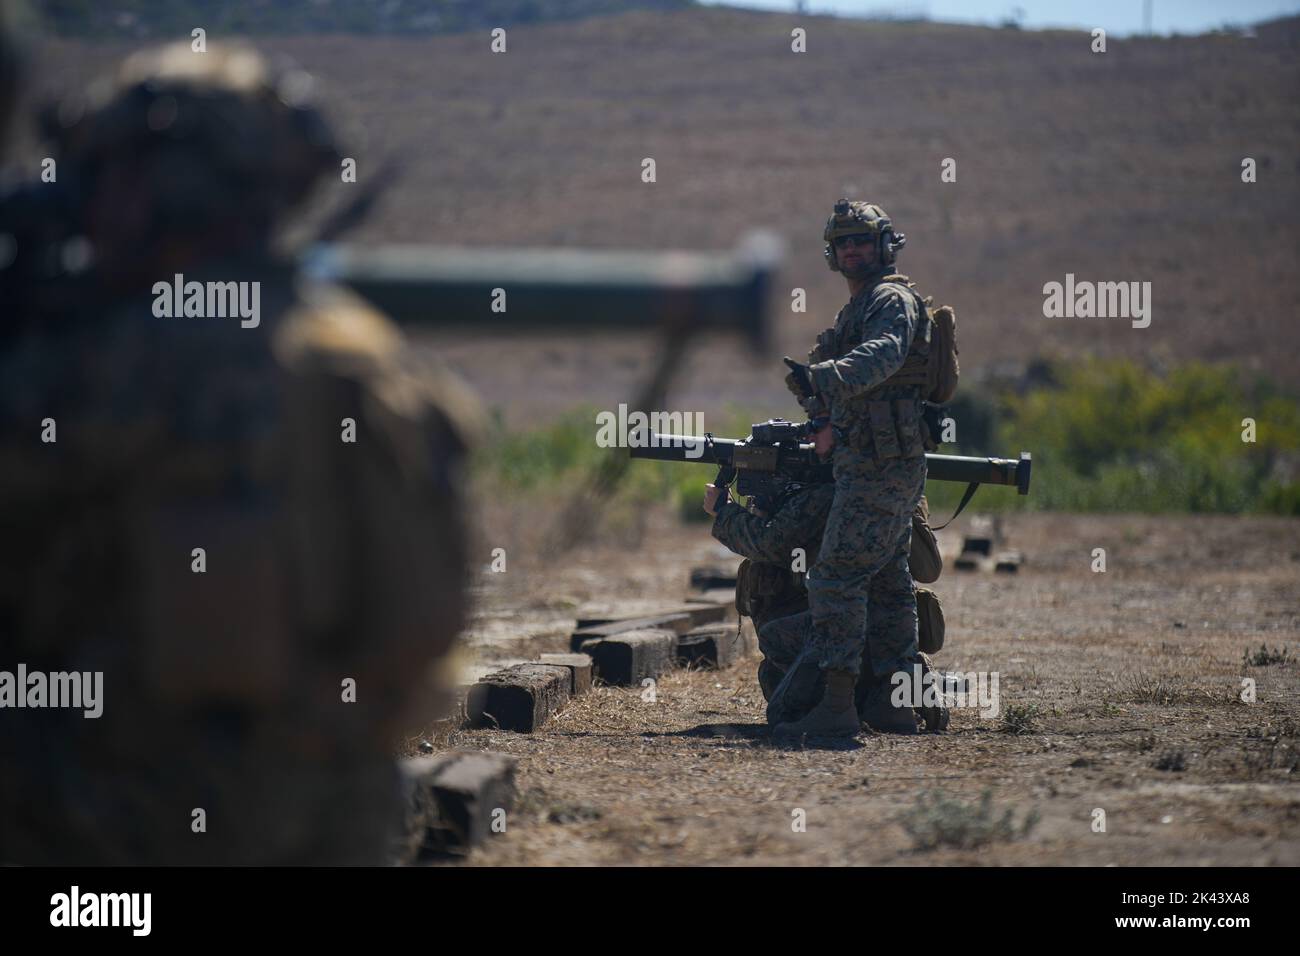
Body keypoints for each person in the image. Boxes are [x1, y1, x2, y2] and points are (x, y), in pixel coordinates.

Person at [0, 42, 481, 864]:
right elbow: (420, 623)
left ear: (165, 185)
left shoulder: (120, 359)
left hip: (126, 817)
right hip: (337, 808)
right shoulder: (366, 351)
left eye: (111, 175)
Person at [770, 199, 934, 737]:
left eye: (863, 240)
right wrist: (818, 407)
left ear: (886, 245)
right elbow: (842, 387)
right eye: (844, 243)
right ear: (832, 254)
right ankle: (893, 704)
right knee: (888, 584)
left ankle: (837, 709)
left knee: (836, 577)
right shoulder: (857, 307)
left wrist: (826, 377)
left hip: (881, 468)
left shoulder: (890, 300)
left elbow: (885, 354)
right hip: (868, 463)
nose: (854, 249)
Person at [705, 480, 947, 732]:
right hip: (892, 643)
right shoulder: (893, 486)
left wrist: (724, 510)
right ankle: (898, 684)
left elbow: (771, 543)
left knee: (779, 691)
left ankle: (857, 697)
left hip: (841, 629)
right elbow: (929, 569)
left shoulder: (825, 490)